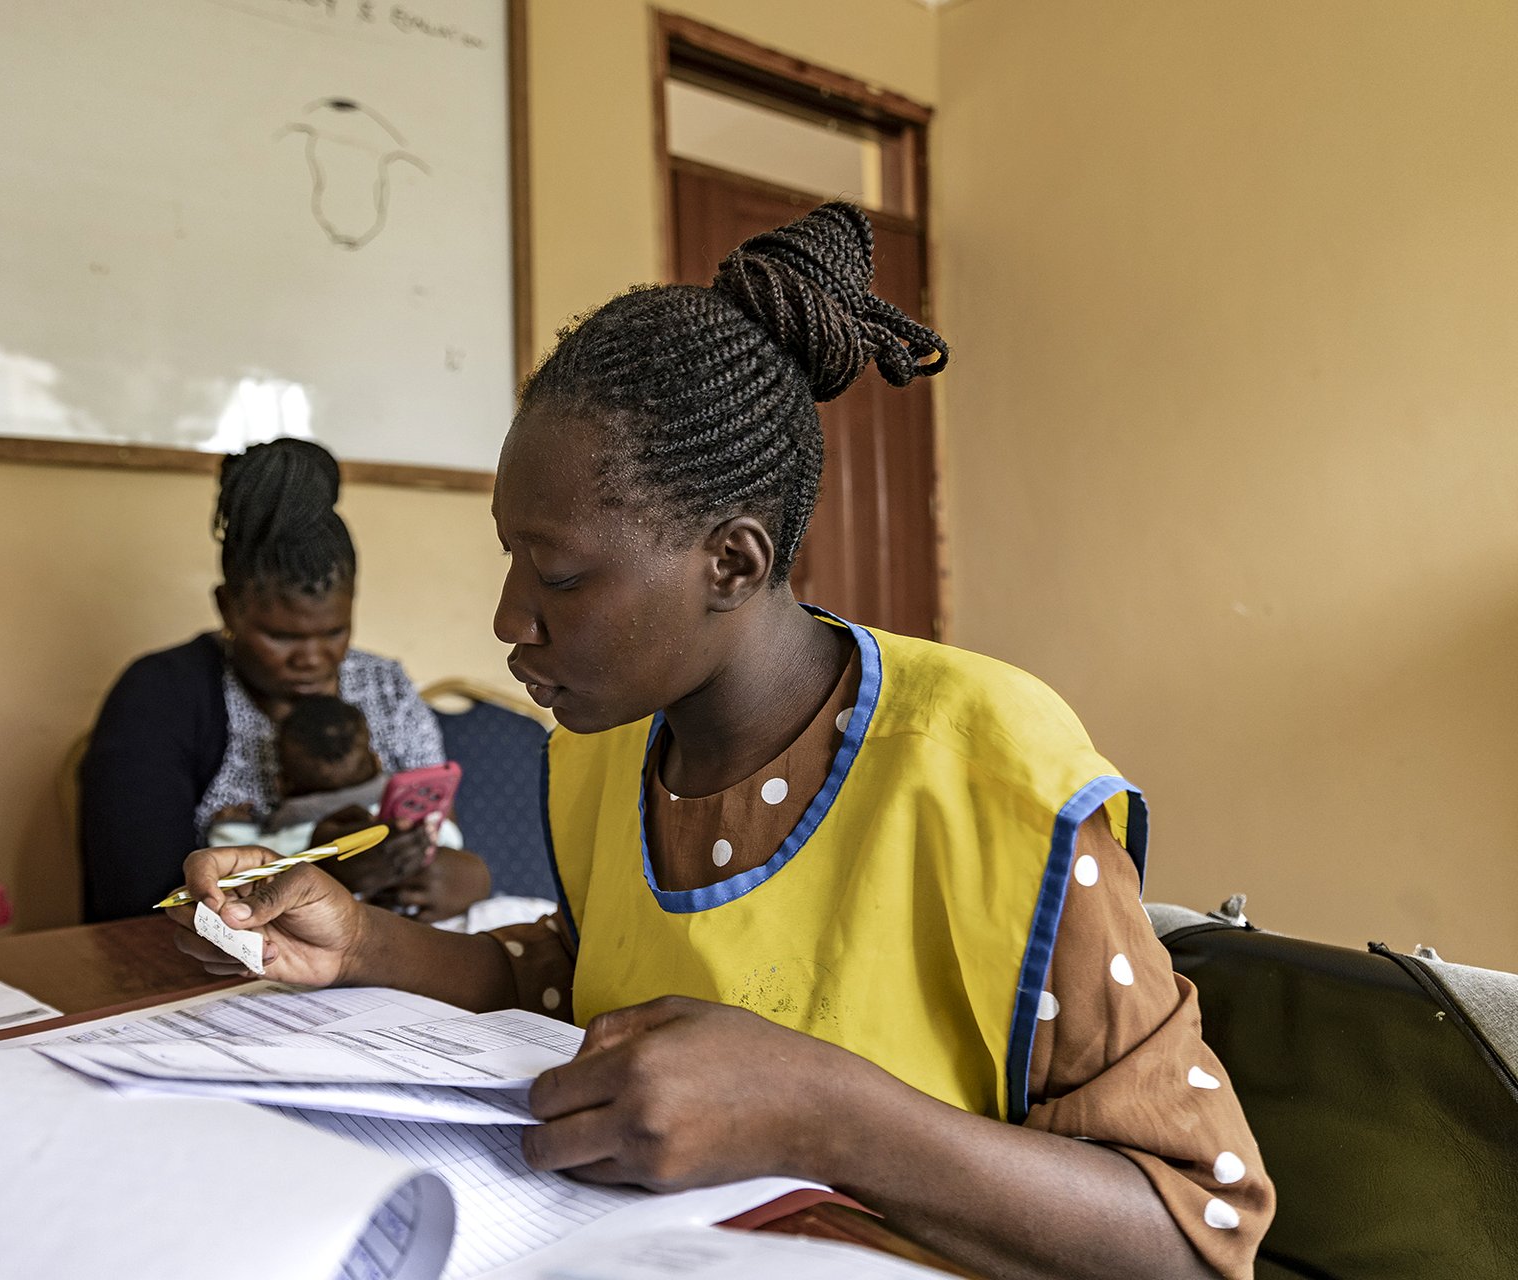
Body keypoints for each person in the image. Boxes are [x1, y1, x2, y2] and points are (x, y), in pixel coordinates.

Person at [168, 204, 1274, 1280]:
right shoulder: (599, 748)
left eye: (557, 575)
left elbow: (1198, 1230)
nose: (510, 617)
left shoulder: (990, 769)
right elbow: (586, 981)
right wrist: (364, 944)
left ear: (735, 564)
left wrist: (822, 1112)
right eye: (510, 557)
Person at [80, 438, 490, 923]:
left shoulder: (383, 687)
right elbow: (138, 906)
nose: (313, 659)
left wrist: (460, 875)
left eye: (335, 632)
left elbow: (441, 830)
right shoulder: (161, 697)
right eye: (280, 636)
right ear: (227, 607)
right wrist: (323, 876)